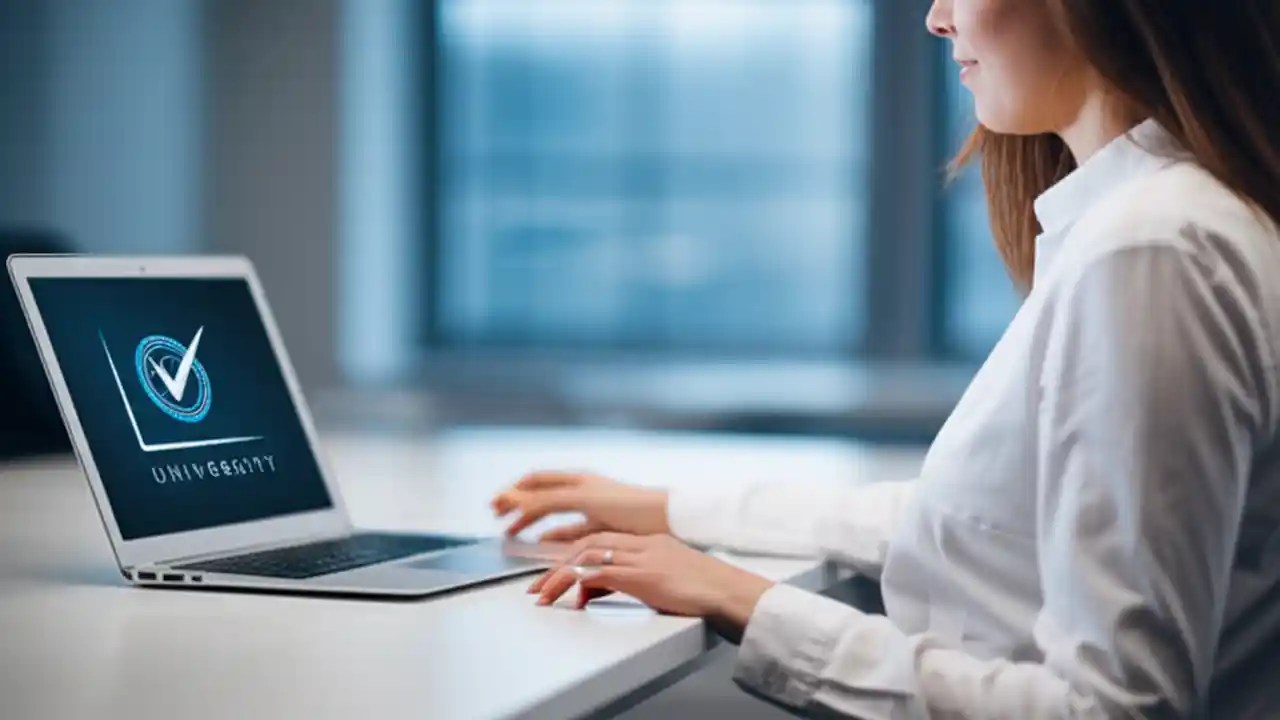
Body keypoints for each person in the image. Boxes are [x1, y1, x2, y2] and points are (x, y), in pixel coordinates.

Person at [491, 1, 1280, 716]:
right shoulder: (1164, 221)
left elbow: (1114, 709)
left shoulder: (1151, 249)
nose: (936, 19)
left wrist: (751, 604)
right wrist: (674, 511)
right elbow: (982, 520)